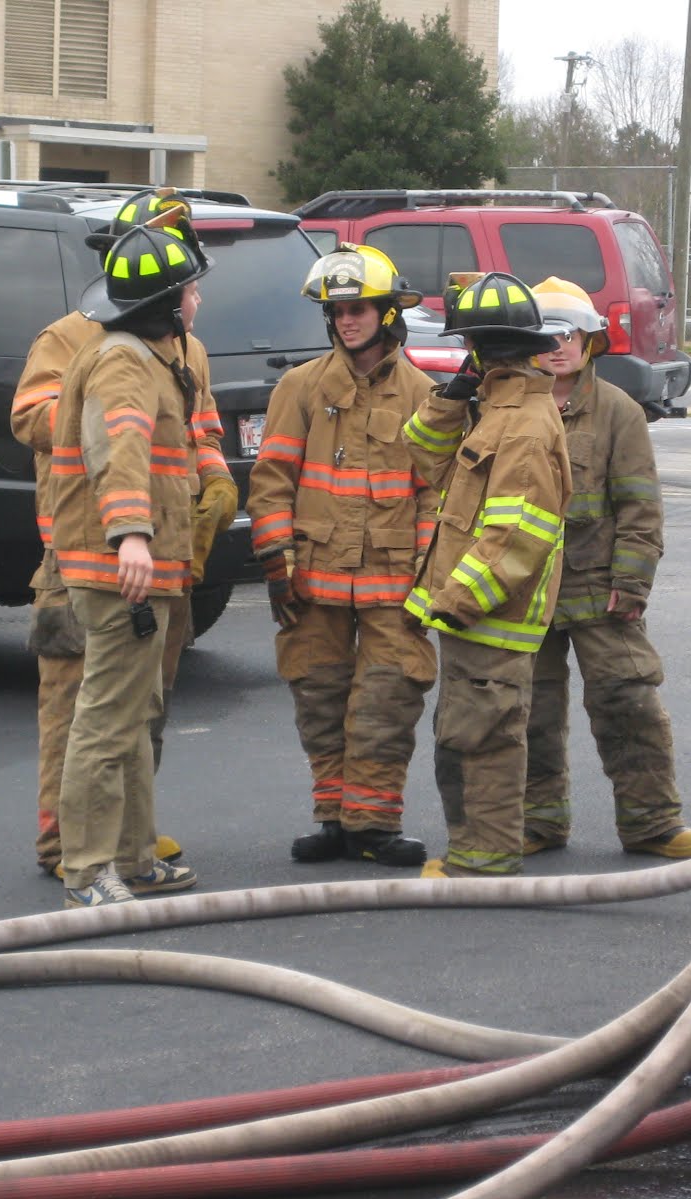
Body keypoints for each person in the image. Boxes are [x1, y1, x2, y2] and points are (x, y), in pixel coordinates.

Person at [11, 189, 237, 880]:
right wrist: (96, 425)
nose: (193, 282)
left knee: (139, 712)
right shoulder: (87, 343)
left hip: (154, 556)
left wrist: (215, 480)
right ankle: (70, 852)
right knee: (85, 713)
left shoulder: (181, 348)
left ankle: (126, 847)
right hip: (87, 556)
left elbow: (196, 429)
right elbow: (44, 421)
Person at [246, 245, 438, 867]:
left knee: (386, 705)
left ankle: (374, 825)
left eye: (358, 308)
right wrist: (278, 561)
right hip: (315, 581)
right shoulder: (300, 388)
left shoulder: (423, 396)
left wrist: (428, 579)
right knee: (320, 701)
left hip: (393, 586)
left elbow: (438, 495)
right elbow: (272, 477)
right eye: (337, 310)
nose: (346, 320)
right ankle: (332, 818)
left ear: (386, 313)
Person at [521, 277, 691, 859]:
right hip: (524, 589)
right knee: (529, 711)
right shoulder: (506, 407)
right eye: (547, 335)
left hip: (598, 588)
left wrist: (631, 581)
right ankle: (538, 822)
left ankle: (652, 823)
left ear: (590, 341)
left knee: (629, 703)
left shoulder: (618, 411)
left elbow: (639, 504)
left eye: (570, 335)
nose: (559, 347)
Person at [401, 272, 571, 879]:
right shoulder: (492, 410)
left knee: (485, 741)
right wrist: (454, 393)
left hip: (491, 619)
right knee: (462, 737)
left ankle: (485, 858)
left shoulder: (523, 423)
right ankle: (476, 848)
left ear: (478, 345)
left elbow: (518, 536)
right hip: (473, 616)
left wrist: (457, 600)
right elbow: (421, 450)